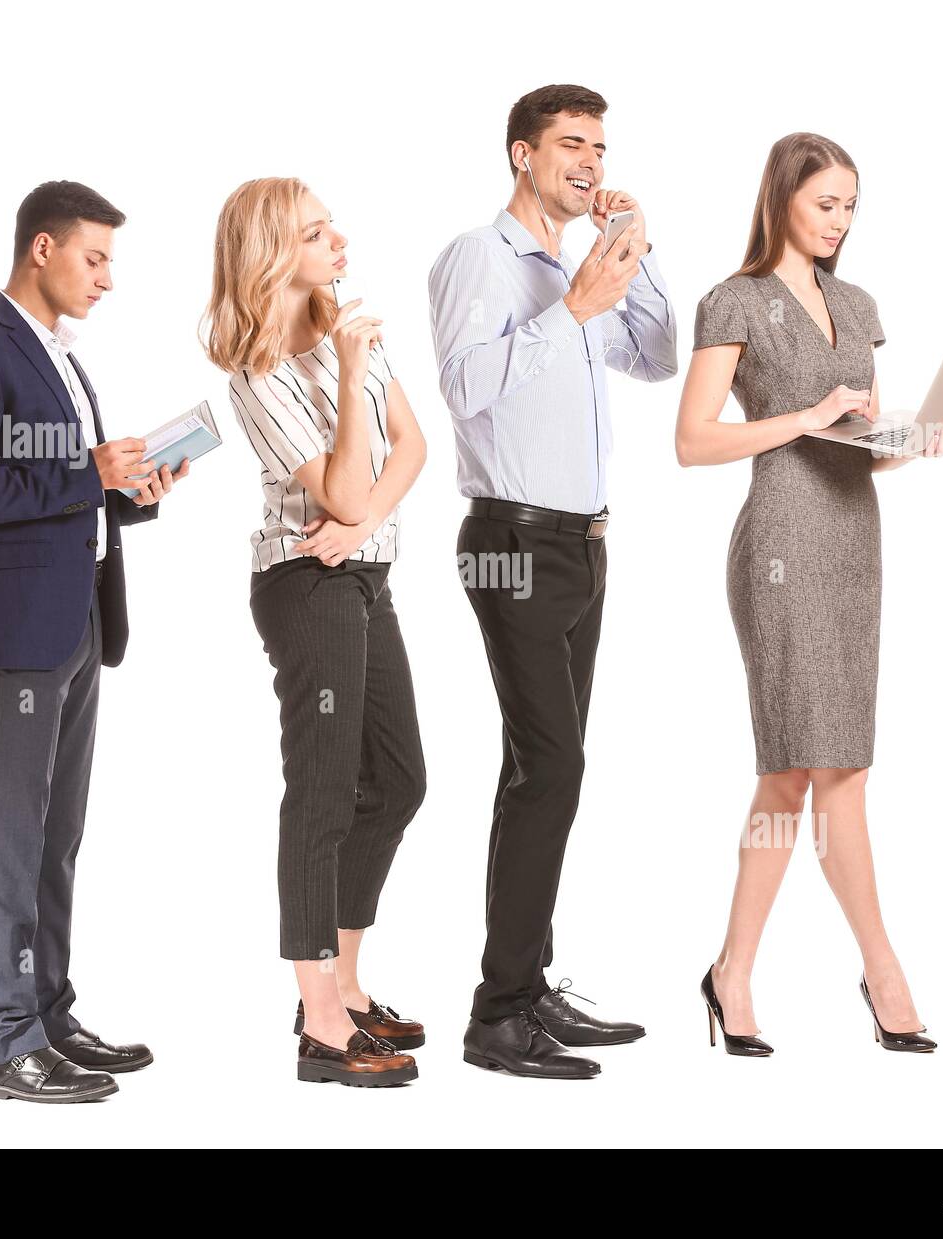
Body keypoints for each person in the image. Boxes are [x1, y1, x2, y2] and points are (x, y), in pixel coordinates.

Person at [676, 133, 943, 1056]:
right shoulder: (735, 299)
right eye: (826, 203)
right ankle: (883, 973)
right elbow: (692, 440)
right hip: (780, 547)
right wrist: (801, 417)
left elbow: (862, 437)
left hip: (853, 540)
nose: (839, 222)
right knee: (812, 768)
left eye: (851, 207)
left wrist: (917, 440)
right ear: (783, 200)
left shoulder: (859, 303)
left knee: (813, 771)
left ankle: (732, 971)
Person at [428, 84, 679, 1079]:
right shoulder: (476, 260)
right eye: (568, 143)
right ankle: (497, 1018)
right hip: (508, 541)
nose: (586, 159)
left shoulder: (584, 265)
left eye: (599, 146)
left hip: (582, 547)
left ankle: (525, 990)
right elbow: (460, 388)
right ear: (521, 155)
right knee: (552, 767)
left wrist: (635, 250)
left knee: (546, 768)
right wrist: (565, 313)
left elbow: (658, 357)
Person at [0, 180, 190, 1102]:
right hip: (12, 632)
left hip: (78, 619)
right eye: (95, 257)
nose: (107, 278)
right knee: (10, 831)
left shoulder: (67, 361)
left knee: (56, 834)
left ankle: (47, 1011)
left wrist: (130, 493)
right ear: (43, 248)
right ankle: (4, 1043)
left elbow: (72, 498)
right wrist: (87, 471)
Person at [203, 178, 428, 1087]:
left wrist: (362, 519)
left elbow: (412, 447)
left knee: (400, 778)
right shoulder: (255, 372)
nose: (338, 241)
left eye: (333, 227)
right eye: (314, 233)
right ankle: (321, 1019)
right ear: (271, 254)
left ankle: (342, 980)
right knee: (326, 788)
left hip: (364, 573)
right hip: (305, 583)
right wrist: (341, 378)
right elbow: (331, 490)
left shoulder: (354, 330)